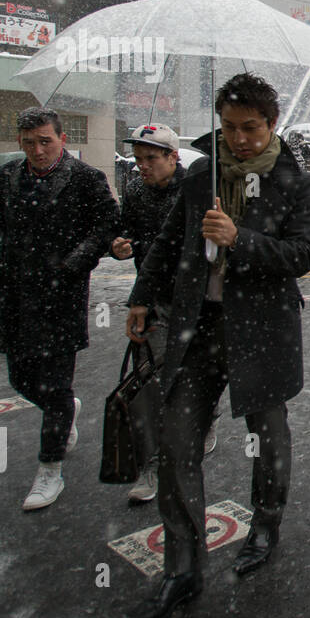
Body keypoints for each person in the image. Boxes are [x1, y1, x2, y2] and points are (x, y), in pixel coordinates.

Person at [121, 73, 310, 618]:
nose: (238, 139)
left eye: (250, 128)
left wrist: (242, 240)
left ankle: (265, 524)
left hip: (263, 331)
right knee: (176, 441)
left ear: (272, 123)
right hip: (198, 327)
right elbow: (168, 241)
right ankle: (182, 569)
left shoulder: (295, 183)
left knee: (267, 436)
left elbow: (302, 255)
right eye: (229, 127)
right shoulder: (200, 174)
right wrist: (141, 297)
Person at [0, 106, 118, 511]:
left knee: (56, 383)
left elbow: (107, 224)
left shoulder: (85, 179)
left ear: (62, 139)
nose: (38, 150)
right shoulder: (9, 176)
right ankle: (64, 411)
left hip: (60, 292)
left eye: (45, 141)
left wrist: (74, 262)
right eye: (29, 143)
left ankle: (50, 469)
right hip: (14, 291)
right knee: (21, 377)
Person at [110, 124, 219, 504]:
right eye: (138, 160)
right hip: (155, 298)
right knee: (154, 381)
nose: (142, 167)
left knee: (195, 375)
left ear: (173, 157)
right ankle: (153, 464)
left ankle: (207, 417)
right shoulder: (136, 192)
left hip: (194, 300)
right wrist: (120, 246)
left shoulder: (200, 188)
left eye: (151, 159)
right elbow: (135, 238)